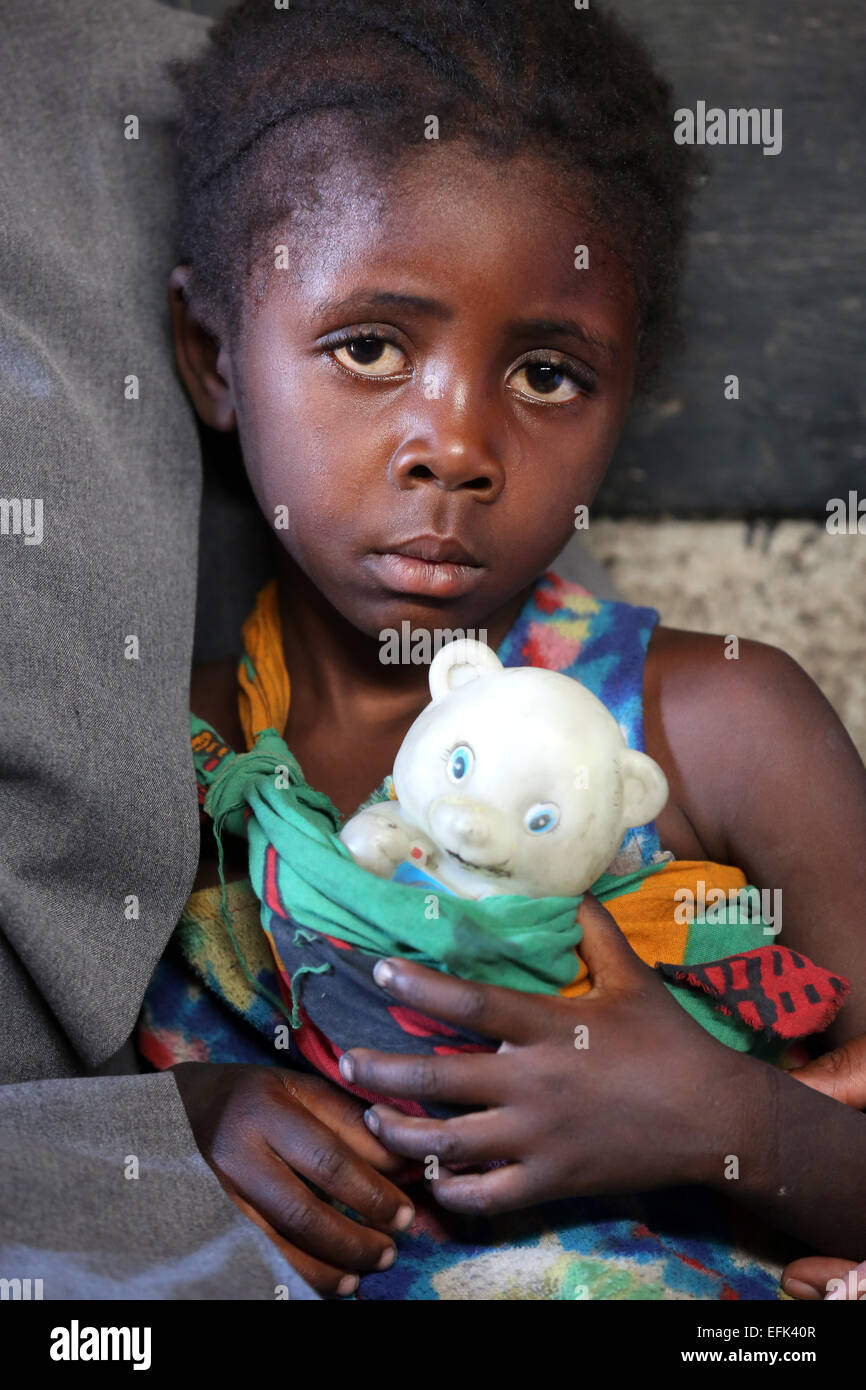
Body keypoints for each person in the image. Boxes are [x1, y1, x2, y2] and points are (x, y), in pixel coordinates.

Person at [152, 0, 866, 1299]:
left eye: (545, 373)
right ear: (212, 356)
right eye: (369, 347)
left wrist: (730, 1120)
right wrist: (182, 1121)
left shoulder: (711, 718)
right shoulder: (163, 755)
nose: (458, 445)